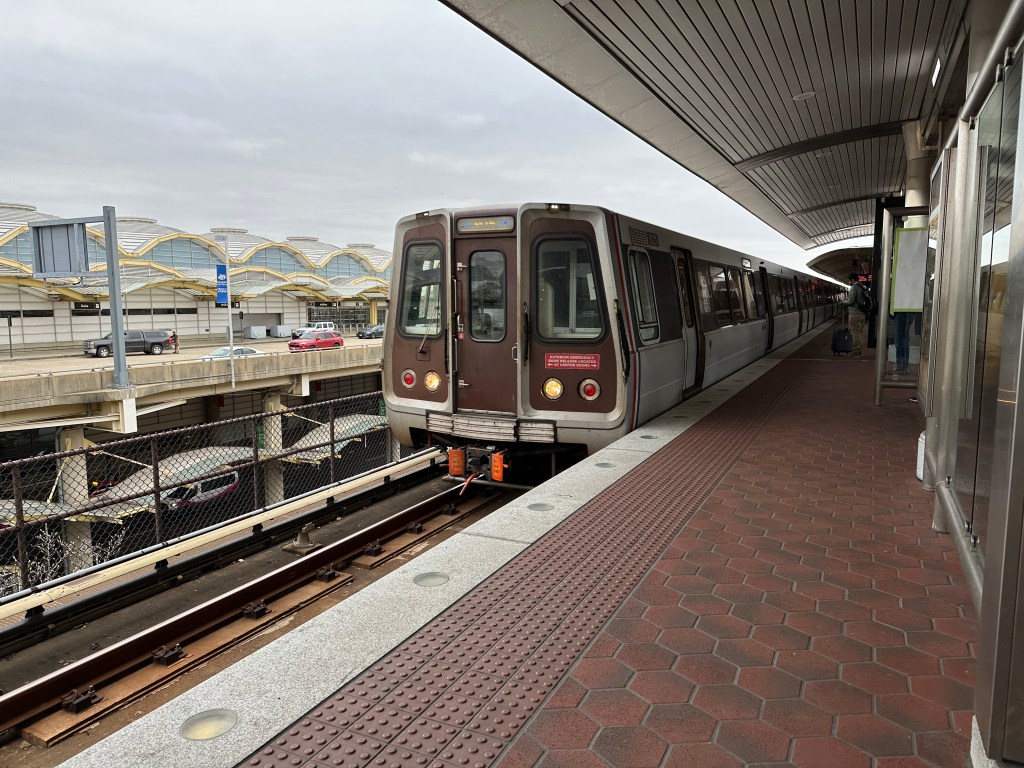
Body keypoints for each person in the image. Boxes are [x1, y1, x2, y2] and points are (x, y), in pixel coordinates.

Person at [846, 273, 868, 357]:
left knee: (855, 333)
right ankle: (859, 350)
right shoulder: (863, 286)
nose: (849, 282)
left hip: (854, 314)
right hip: (862, 314)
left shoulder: (854, 287)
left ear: (852, 280)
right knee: (859, 333)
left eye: (849, 280)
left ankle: (855, 351)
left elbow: (851, 301)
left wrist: (844, 302)